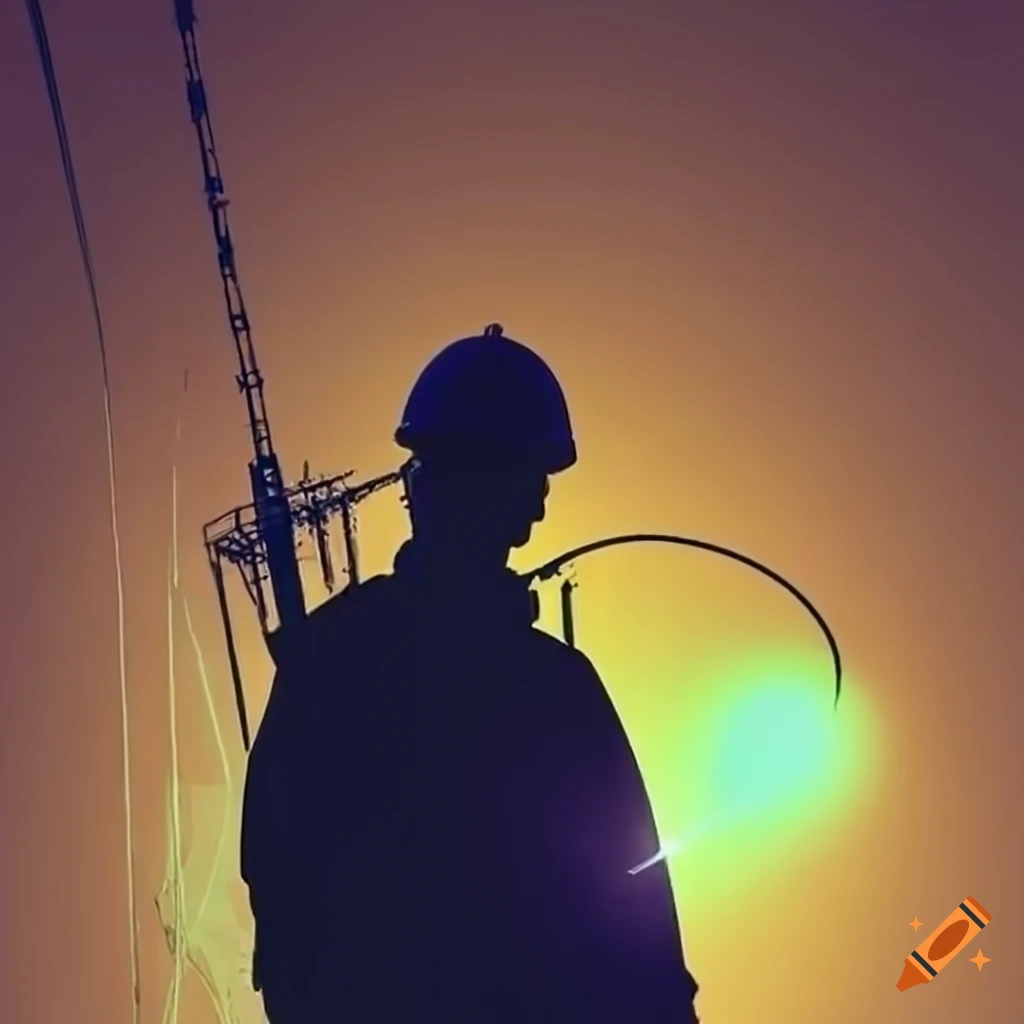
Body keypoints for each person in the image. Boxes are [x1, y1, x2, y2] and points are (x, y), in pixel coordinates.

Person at [240, 323, 700, 1022]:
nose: (542, 504)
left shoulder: (328, 658)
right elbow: (638, 933)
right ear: (517, 500)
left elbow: (283, 911)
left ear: (418, 484)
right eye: (533, 481)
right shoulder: (553, 688)